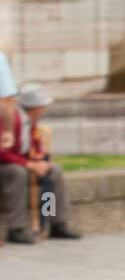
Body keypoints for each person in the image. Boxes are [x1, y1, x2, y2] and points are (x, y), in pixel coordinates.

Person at [0, 84, 80, 243]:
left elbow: (34, 145)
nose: (43, 110)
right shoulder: (11, 120)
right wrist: (28, 164)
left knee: (53, 171)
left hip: (21, 162)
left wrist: (40, 159)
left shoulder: (30, 121)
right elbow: (3, 152)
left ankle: (55, 222)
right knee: (18, 173)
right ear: (33, 107)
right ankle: (17, 228)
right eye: (42, 106)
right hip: (7, 165)